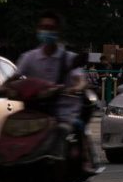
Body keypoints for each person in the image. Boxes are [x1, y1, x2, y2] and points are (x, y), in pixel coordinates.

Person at [16, 10, 97, 172]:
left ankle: (63, 168)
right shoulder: (29, 58)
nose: (46, 31)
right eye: (43, 27)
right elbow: (13, 79)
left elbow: (79, 80)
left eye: (50, 27)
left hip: (62, 115)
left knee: (62, 132)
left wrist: (75, 88)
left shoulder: (68, 58)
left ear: (57, 32)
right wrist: (0, 89)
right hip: (35, 115)